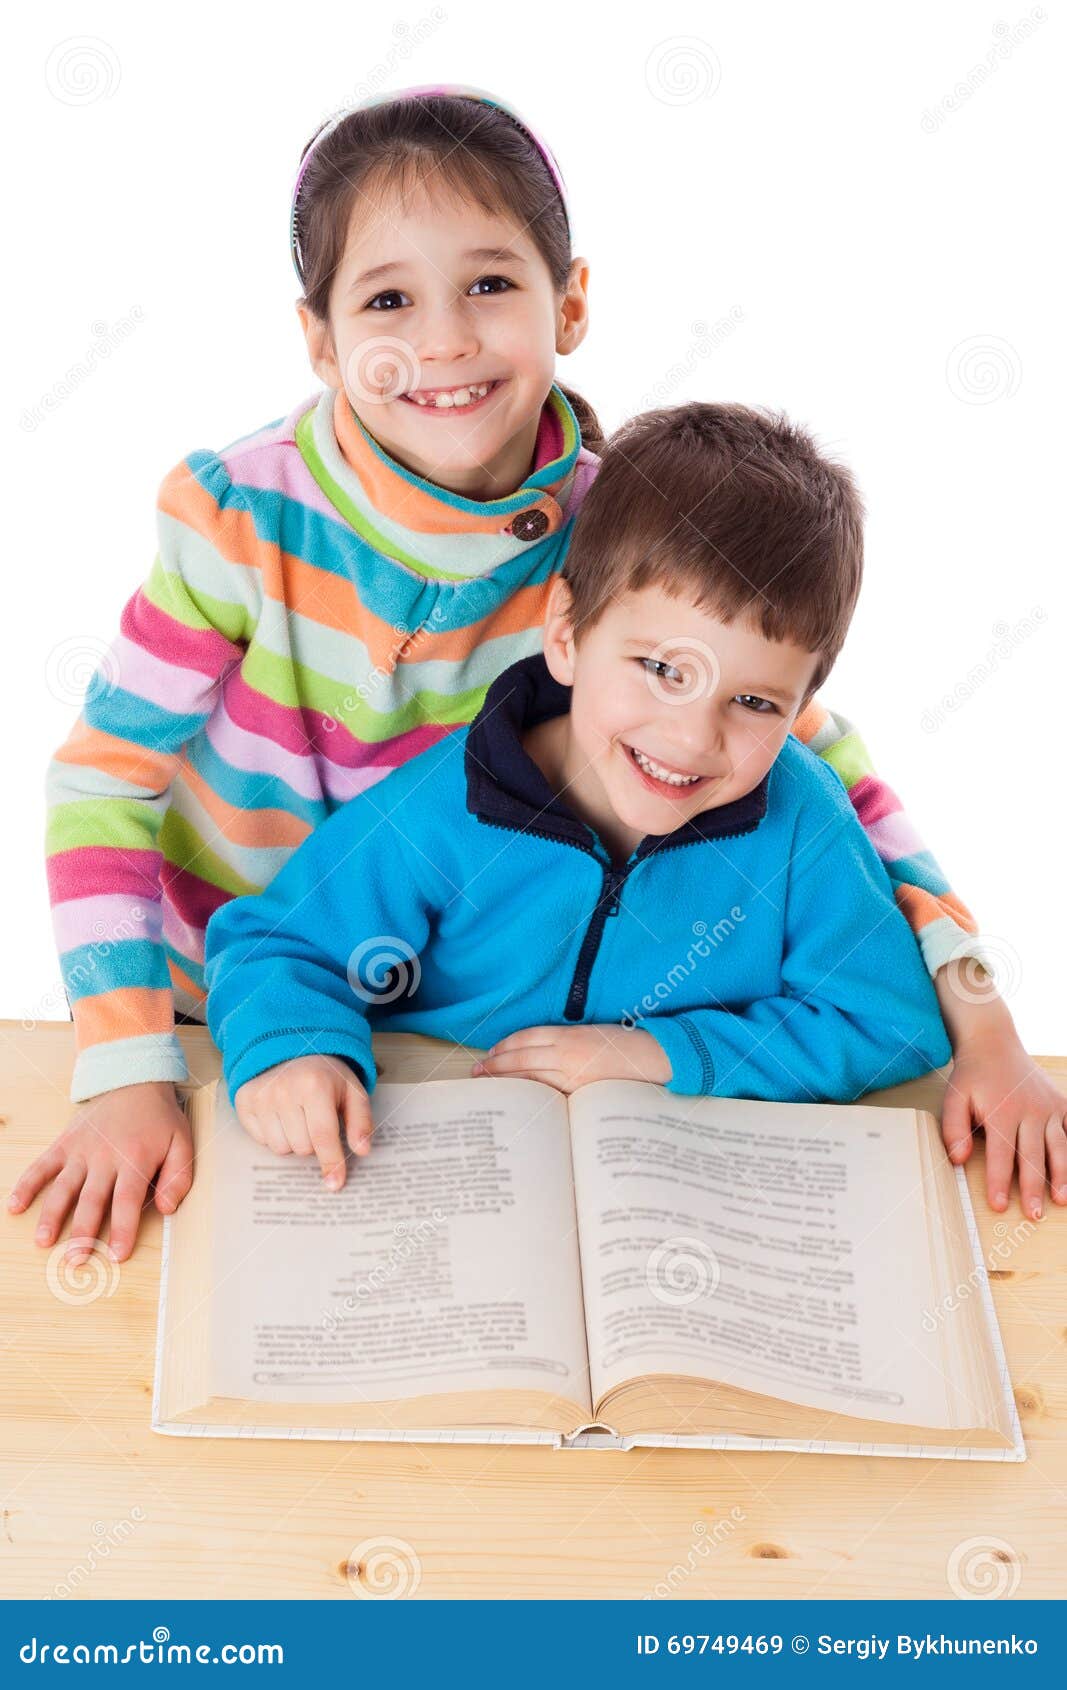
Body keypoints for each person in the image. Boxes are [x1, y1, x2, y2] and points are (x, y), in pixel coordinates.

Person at [11, 90, 1062, 1274]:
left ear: (568, 303)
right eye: (389, 299)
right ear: (318, 336)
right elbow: (102, 783)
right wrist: (125, 1067)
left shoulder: (618, 524)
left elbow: (826, 772)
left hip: (473, 1029)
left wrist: (979, 1018)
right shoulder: (239, 512)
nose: (446, 341)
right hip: (244, 1009)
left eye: (491, 285)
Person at [203, 402, 952, 1172]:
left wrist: (657, 1054)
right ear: (565, 634)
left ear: (801, 705)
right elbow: (275, 945)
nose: (692, 738)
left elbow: (888, 1021)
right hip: (440, 1159)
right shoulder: (446, 806)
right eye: (661, 670)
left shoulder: (801, 824)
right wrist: (295, 1050)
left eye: (756, 703)